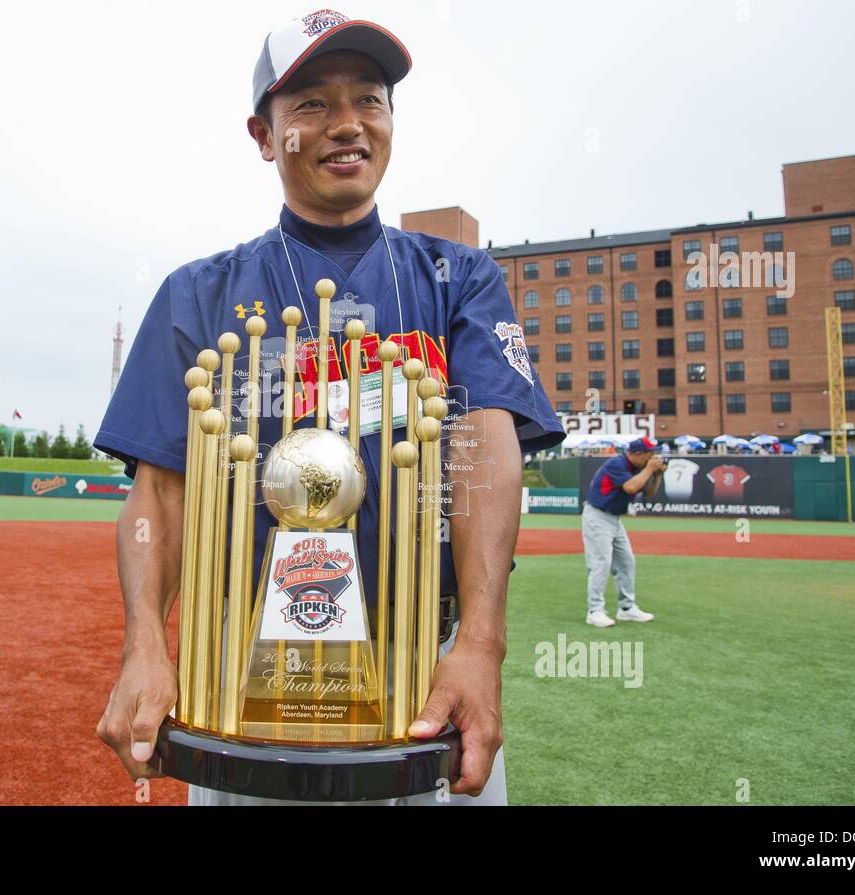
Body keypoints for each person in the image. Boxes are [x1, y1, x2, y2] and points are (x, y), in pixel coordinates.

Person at [93, 8, 563, 806]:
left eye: (369, 99)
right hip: (238, 683)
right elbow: (161, 493)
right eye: (312, 103)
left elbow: (483, 452)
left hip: (422, 681)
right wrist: (146, 640)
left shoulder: (460, 280)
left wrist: (481, 643)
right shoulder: (197, 294)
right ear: (264, 134)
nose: (348, 124)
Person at [581, 436, 664, 628]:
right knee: (601, 562)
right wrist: (650, 469)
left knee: (627, 561)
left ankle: (626, 609)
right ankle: (594, 611)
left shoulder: (638, 468)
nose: (653, 456)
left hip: (615, 519)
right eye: (649, 453)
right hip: (598, 516)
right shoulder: (617, 463)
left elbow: (649, 493)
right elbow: (631, 486)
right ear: (637, 454)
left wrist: (657, 474)